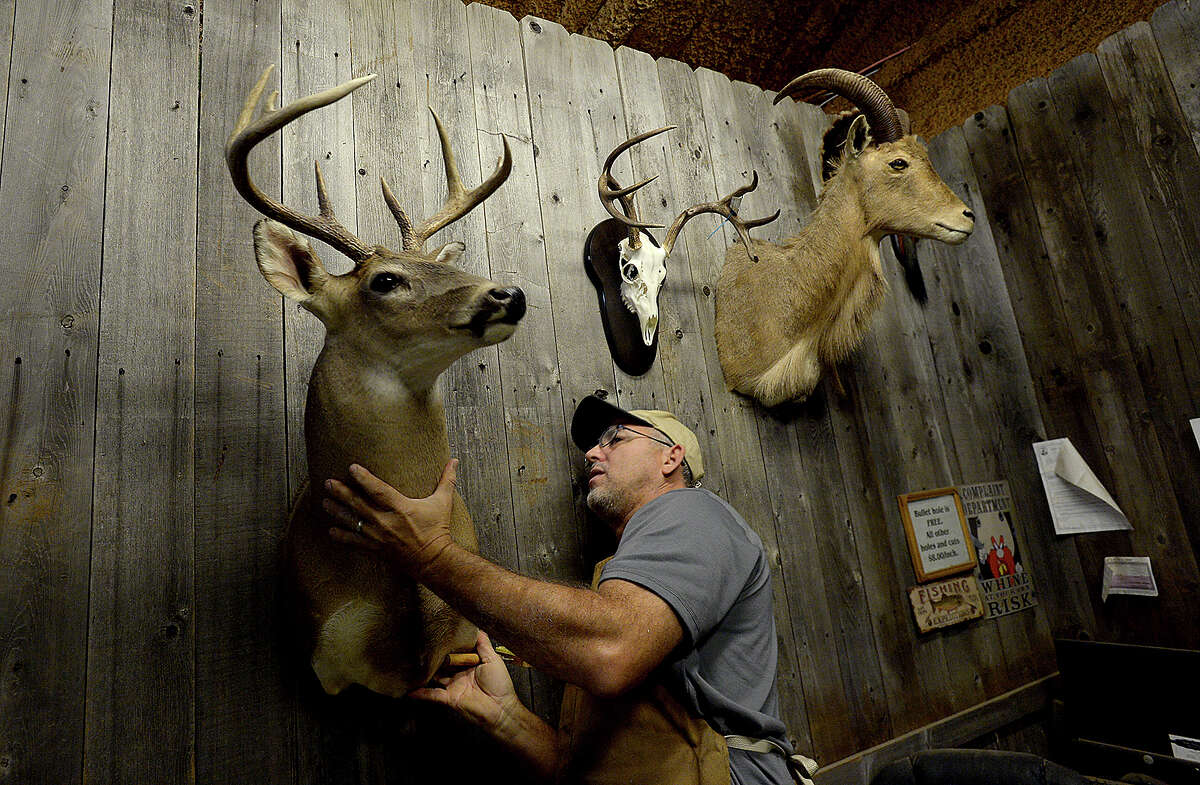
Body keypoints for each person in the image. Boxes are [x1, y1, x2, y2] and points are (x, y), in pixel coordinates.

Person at [323, 395, 814, 785]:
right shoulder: (627, 575)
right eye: (595, 445)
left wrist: (430, 554)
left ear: (672, 457)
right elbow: (595, 771)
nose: (592, 453)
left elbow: (611, 651)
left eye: (616, 439)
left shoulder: (689, 511)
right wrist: (505, 716)